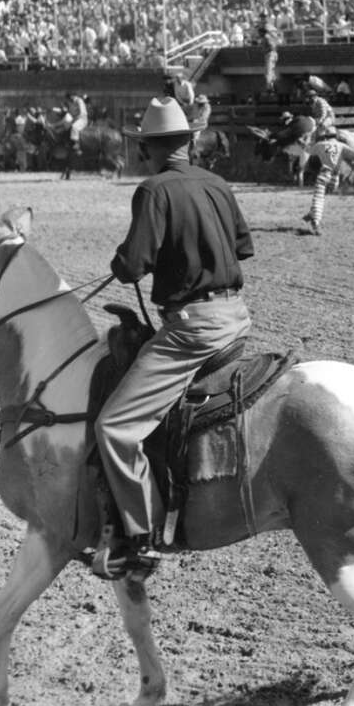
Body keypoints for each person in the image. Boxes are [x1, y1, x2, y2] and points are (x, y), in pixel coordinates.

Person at [95, 97, 253, 578]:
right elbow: (242, 247)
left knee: (114, 428)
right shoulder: (217, 183)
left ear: (149, 149)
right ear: (187, 143)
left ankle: (140, 539)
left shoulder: (153, 190)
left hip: (192, 330)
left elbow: (133, 264)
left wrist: (121, 264)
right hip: (236, 315)